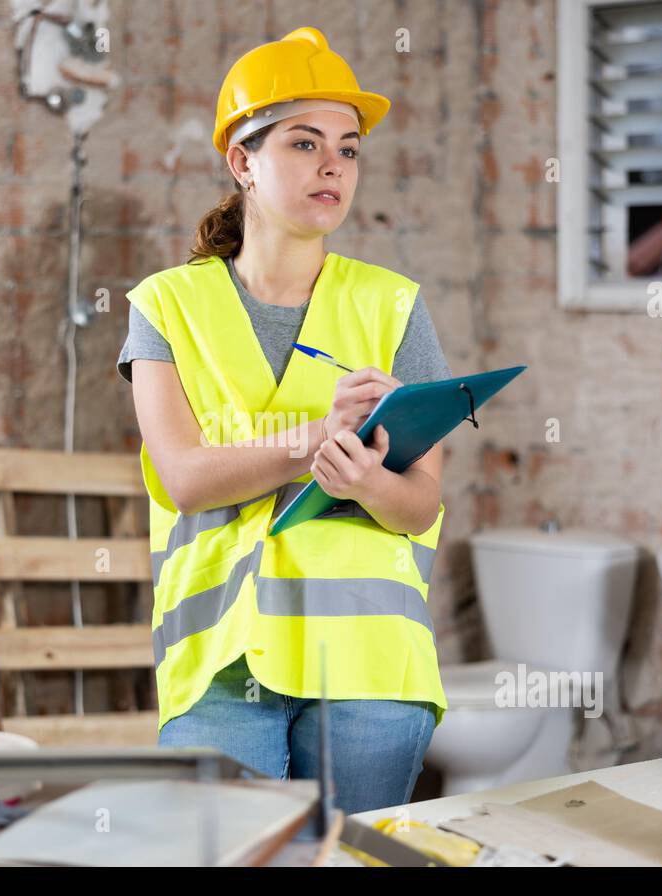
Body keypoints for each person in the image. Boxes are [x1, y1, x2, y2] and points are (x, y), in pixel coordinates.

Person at [116, 27, 452, 815]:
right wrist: (313, 443)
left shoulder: (393, 305)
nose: (333, 164)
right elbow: (186, 479)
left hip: (373, 662)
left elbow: (423, 504)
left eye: (349, 147)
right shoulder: (166, 307)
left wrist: (368, 479)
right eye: (304, 144)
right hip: (222, 670)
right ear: (242, 161)